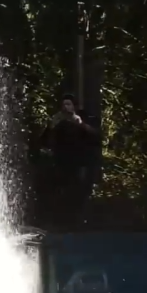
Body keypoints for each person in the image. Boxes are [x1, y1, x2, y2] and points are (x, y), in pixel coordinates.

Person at [37, 94, 98, 227]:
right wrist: (52, 126)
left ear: (74, 106)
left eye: (68, 104)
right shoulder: (57, 120)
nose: (66, 107)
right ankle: (60, 222)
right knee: (61, 191)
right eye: (64, 104)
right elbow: (45, 140)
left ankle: (79, 222)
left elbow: (95, 136)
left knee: (79, 191)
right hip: (61, 162)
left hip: (80, 162)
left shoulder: (82, 118)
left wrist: (81, 124)